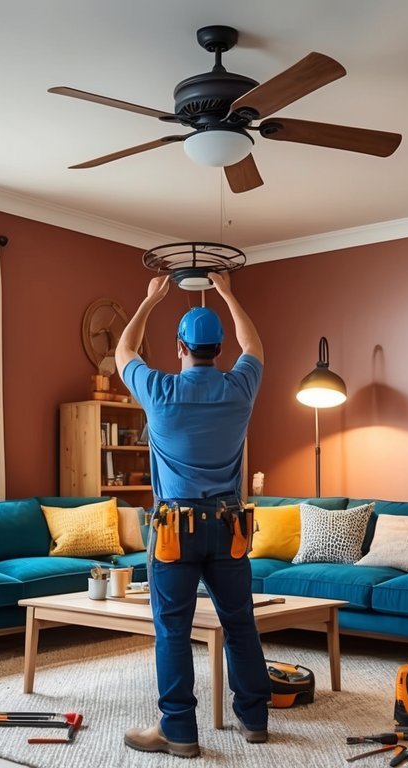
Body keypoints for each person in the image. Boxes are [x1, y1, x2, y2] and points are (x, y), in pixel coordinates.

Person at [116, 270, 269, 758]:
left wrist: (149, 301)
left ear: (179, 347)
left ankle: (179, 731)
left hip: (175, 531)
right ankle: (254, 719)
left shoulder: (159, 391)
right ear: (219, 349)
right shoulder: (240, 388)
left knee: (174, 629)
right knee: (240, 623)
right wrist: (227, 291)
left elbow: (123, 352)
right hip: (228, 528)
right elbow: (256, 345)